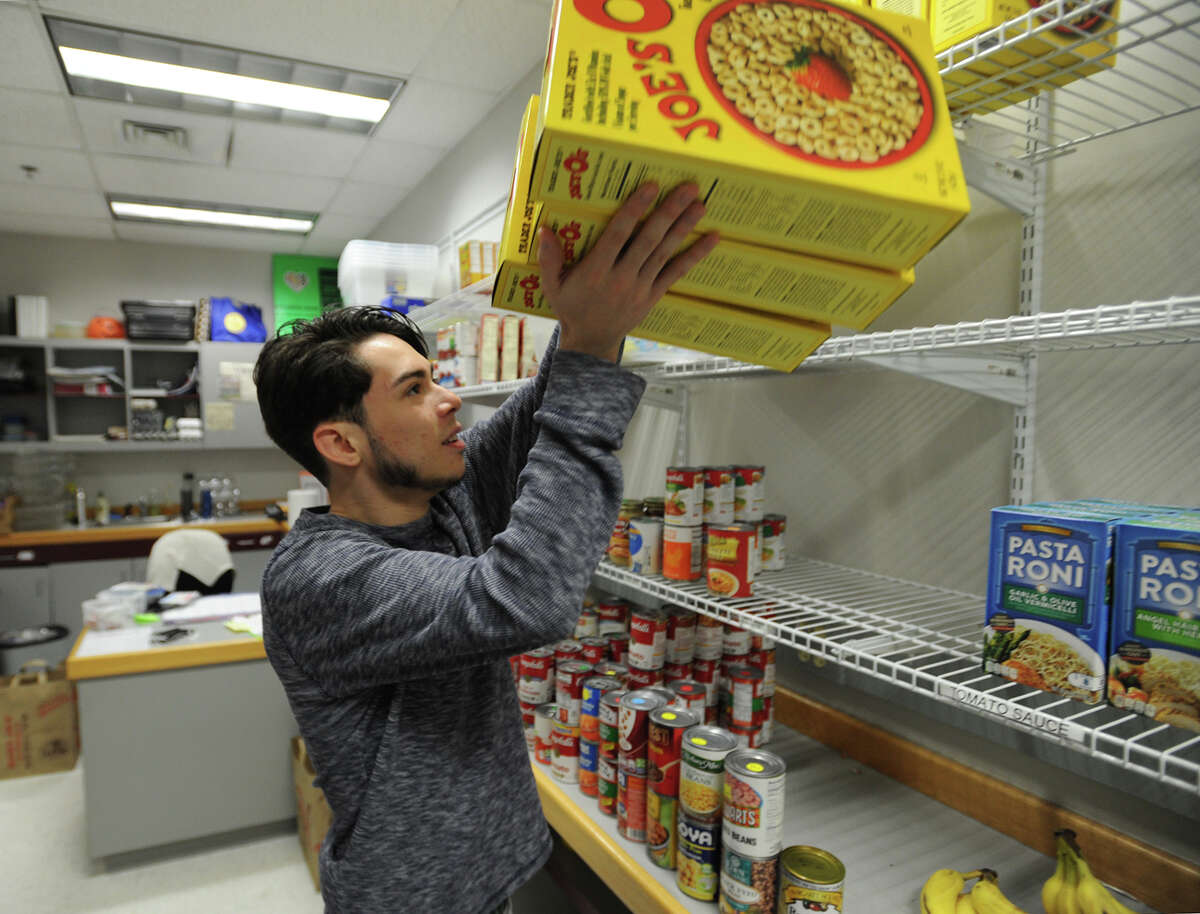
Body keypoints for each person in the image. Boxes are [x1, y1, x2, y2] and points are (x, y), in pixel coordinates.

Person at [253, 181, 718, 913]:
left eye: (436, 379)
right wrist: (590, 347)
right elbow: (522, 599)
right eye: (413, 390)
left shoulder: (442, 496)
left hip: (489, 871)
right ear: (340, 442)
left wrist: (595, 312)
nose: (447, 400)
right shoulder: (318, 578)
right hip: (411, 901)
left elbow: (547, 405)